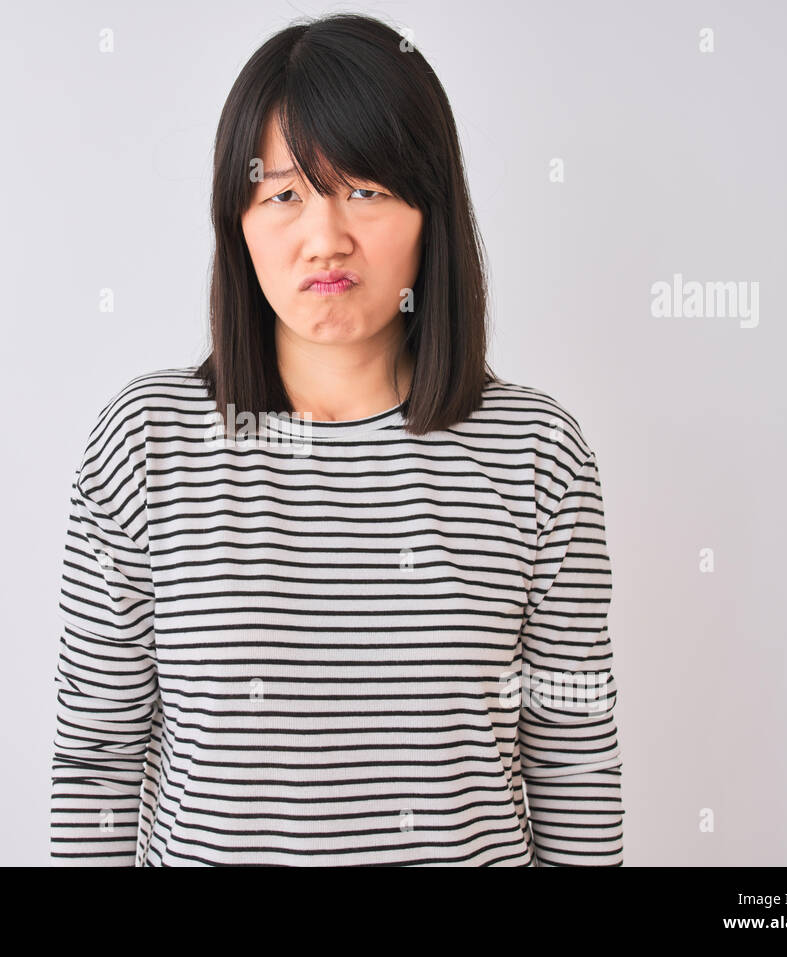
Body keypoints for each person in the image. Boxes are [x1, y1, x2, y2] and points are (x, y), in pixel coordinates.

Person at [50, 12, 623, 866]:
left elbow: (573, 759)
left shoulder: (536, 453)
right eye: (283, 193)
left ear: (432, 210)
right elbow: (97, 761)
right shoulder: (148, 445)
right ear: (236, 223)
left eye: (366, 189)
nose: (326, 237)